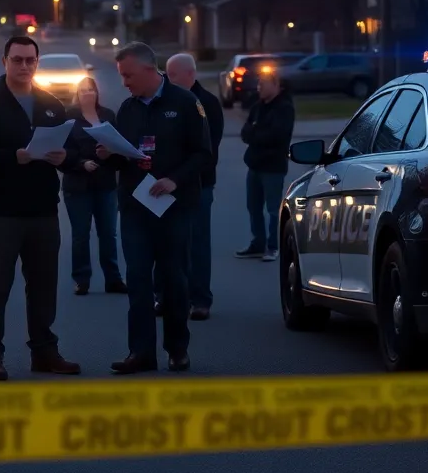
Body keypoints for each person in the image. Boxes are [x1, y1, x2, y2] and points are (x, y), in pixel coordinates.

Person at [0, 35, 82, 381]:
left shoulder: (51, 105)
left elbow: (73, 153)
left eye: (30, 60)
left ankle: (45, 352)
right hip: (0, 212)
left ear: (37, 62)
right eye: (17, 60)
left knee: (43, 286)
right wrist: (11, 158)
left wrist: (65, 158)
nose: (24, 66)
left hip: (43, 211)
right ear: (5, 62)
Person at [95, 42, 211, 375]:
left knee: (174, 279)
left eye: (128, 75)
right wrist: (109, 154)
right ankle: (140, 352)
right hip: (135, 206)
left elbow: (203, 154)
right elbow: (127, 154)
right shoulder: (128, 108)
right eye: (121, 76)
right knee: (138, 280)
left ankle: (177, 350)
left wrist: (175, 180)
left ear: (149, 70)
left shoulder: (187, 103)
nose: (124, 82)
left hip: (174, 206)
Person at [164, 53, 224, 320]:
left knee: (197, 243)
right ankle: (170, 297)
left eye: (173, 75)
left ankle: (200, 299)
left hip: (198, 184)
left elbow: (208, 150)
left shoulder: (207, 104)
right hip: (168, 184)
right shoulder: (166, 101)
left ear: (190, 74)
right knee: (169, 244)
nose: (168, 80)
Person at [63, 76, 126, 296]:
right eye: (83, 90)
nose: (87, 93)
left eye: (91, 89)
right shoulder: (69, 117)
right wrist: (80, 163)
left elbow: (120, 147)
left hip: (106, 183)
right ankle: (81, 279)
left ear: (97, 92)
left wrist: (109, 154)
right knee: (81, 234)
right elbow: (62, 152)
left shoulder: (108, 115)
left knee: (108, 233)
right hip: (77, 185)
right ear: (77, 94)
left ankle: (113, 279)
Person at [237, 67, 296, 262]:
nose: (259, 87)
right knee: (253, 207)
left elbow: (276, 136)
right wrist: (256, 133)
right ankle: (257, 243)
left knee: (272, 209)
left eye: (263, 84)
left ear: (276, 86)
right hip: (254, 165)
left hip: (273, 167)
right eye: (259, 83)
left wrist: (256, 133)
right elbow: (245, 132)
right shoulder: (257, 107)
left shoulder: (284, 108)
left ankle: (273, 246)